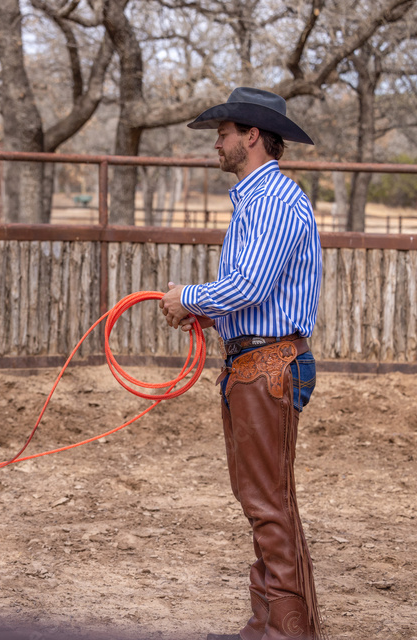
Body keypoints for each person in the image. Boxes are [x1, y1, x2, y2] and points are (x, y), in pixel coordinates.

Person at [159, 87, 324, 640]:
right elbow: (253, 292)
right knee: (263, 499)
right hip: (257, 361)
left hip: (267, 365)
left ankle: (286, 631)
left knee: (268, 502)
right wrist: (211, 314)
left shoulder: (273, 199)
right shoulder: (262, 200)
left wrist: (192, 299)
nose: (217, 142)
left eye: (224, 132)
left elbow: (250, 283)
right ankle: (272, 623)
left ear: (251, 136)